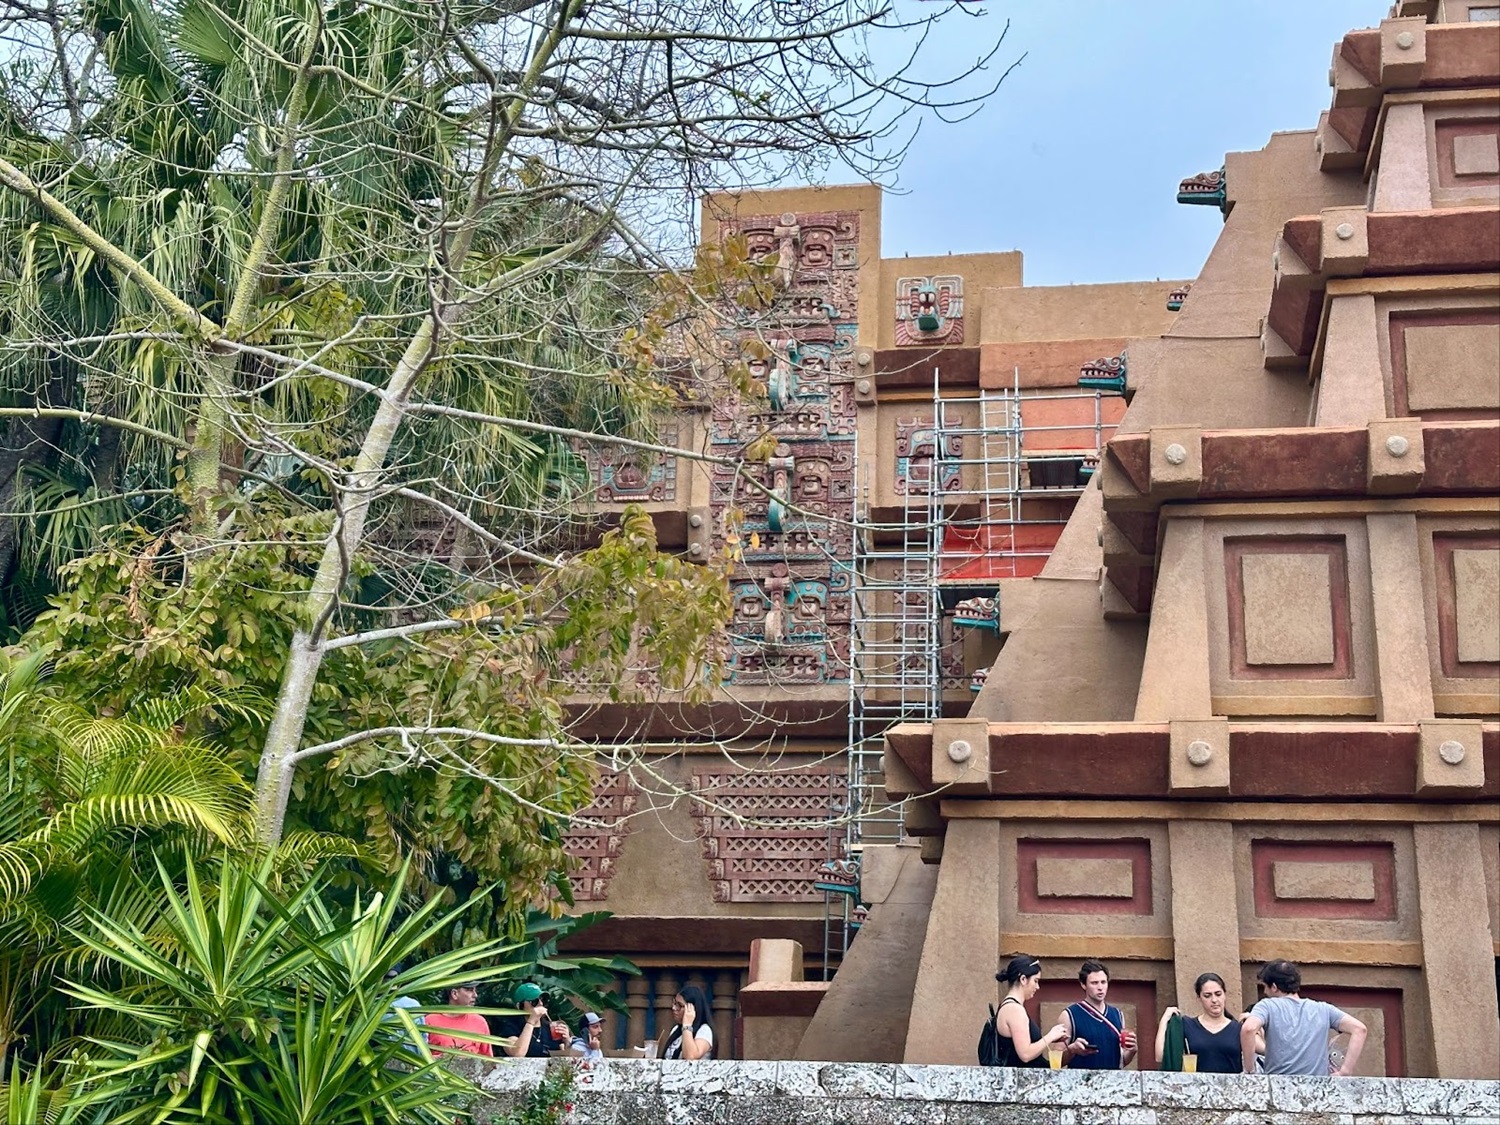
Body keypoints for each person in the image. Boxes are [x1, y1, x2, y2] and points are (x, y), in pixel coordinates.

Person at [1242, 960, 1366, 1077]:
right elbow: (1359, 1029)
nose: (1265, 991)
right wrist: (1345, 1071)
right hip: (1317, 1087)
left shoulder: (1267, 1005)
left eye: (1265, 986)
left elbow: (1248, 1029)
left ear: (1274, 987)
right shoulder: (1324, 1009)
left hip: (1278, 1087)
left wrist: (1250, 1070)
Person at [1154, 972, 1247, 1074]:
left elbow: (1264, 1051)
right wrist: (1164, 1020)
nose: (1214, 1000)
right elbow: (1160, 1056)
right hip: (1196, 1087)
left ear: (1225, 994)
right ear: (1199, 998)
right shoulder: (1187, 1025)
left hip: (1231, 1088)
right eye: (1207, 996)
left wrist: (1256, 1025)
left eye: (1218, 994)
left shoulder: (1239, 1028)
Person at [991, 954, 1071, 1067]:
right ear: (1023, 979)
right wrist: (1051, 1036)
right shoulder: (1014, 1010)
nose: (1037, 987)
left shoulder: (1010, 1007)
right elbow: (1025, 1054)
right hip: (1021, 1081)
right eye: (1035, 981)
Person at [1061, 960, 1137, 1069]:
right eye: (1094, 983)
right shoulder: (1069, 1015)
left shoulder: (1118, 1015)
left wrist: (1132, 1051)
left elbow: (1121, 1061)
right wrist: (1072, 1050)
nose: (1100, 987)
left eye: (1103, 982)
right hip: (1082, 1083)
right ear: (1083, 985)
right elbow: (1055, 1061)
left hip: (1112, 1082)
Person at [493, 982, 570, 1059]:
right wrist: (531, 1022)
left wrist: (567, 1042)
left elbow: (565, 1060)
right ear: (520, 1005)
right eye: (534, 1002)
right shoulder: (511, 1027)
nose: (540, 1004)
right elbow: (517, 1054)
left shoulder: (550, 1028)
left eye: (543, 1000)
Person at [424, 983, 492, 1057]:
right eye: (469, 990)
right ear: (454, 994)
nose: (475, 995)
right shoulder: (430, 1021)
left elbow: (488, 1060)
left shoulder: (480, 1022)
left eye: (475, 990)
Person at [659, 985, 714, 1060]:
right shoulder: (676, 1030)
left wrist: (687, 1025)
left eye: (680, 1005)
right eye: (675, 1003)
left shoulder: (704, 1030)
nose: (674, 1008)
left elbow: (690, 1056)